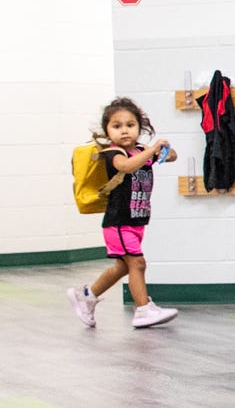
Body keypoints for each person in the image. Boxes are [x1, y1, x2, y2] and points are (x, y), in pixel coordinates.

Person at [66, 98, 178, 329]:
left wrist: (162, 148)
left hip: (136, 221)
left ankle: (86, 296)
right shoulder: (112, 153)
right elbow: (126, 167)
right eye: (117, 126)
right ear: (107, 131)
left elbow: (172, 156)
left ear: (140, 127)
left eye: (130, 125)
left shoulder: (141, 150)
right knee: (137, 263)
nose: (124, 130)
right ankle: (143, 309)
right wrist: (151, 151)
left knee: (123, 267)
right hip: (118, 222)